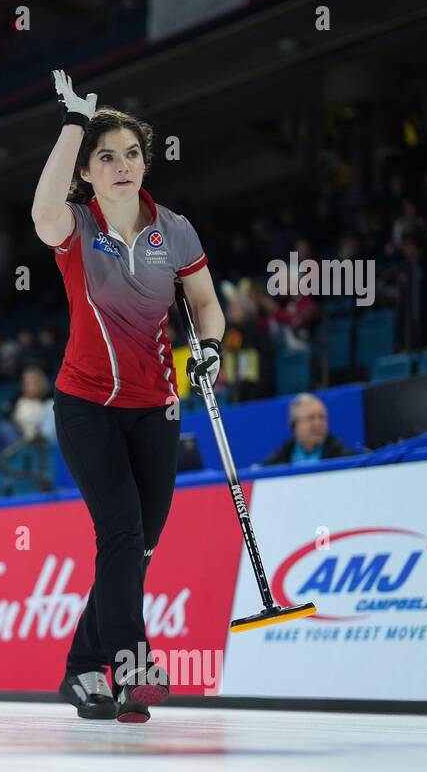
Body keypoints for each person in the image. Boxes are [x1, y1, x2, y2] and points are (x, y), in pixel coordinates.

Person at [33, 71, 224, 724]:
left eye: (131, 153)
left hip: (157, 409)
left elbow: (205, 305)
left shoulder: (175, 229)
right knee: (119, 528)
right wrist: (72, 123)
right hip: (86, 404)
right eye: (106, 156)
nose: (122, 165)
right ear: (87, 171)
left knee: (137, 545)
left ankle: (82, 668)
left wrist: (211, 346)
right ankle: (131, 658)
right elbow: (40, 210)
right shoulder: (76, 227)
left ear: (147, 160)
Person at [263, 393, 356, 465]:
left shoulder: (345, 457)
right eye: (310, 418)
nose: (318, 423)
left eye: (322, 417)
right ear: (293, 425)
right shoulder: (276, 462)